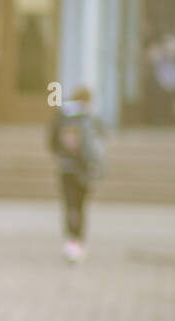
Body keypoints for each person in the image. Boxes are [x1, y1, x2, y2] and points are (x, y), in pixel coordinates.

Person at [48, 86, 105, 263]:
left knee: (69, 205)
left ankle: (70, 241)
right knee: (80, 206)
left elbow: (51, 142)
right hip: (84, 169)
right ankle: (78, 241)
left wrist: (61, 154)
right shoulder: (89, 117)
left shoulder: (62, 116)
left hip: (66, 168)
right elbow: (98, 143)